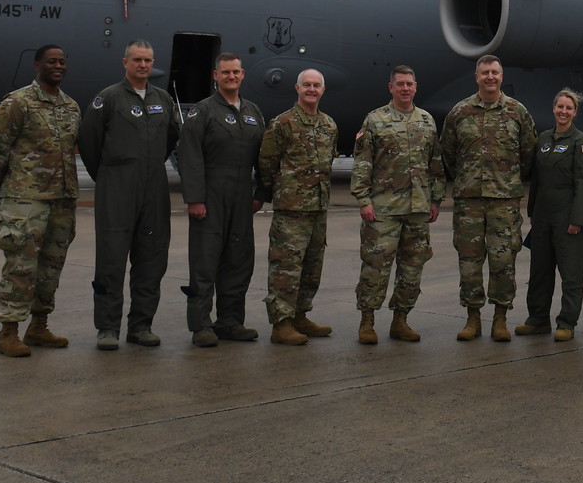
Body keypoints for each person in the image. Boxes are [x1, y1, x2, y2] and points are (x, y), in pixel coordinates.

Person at [78, 39, 181, 349]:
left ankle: (141, 326)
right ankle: (107, 328)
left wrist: (147, 167)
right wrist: (110, 175)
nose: (143, 65)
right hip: (116, 189)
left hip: (154, 189)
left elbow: (172, 136)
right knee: (111, 260)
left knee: (151, 259)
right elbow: (89, 141)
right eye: (137, 60)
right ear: (125, 63)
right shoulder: (107, 99)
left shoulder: (162, 99)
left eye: (148, 60)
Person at [0, 44, 79, 357]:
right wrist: (0, 188)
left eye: (62, 62)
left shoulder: (71, 107)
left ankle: (39, 326)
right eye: (51, 61)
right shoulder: (18, 102)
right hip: (25, 198)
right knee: (20, 266)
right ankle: (8, 332)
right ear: (37, 65)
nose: (58, 66)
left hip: (61, 200)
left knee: (51, 266)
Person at [438, 54, 536, 341]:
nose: (490, 77)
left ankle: (500, 318)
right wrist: (468, 179)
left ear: (501, 76)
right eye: (485, 73)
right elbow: (449, 152)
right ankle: (472, 318)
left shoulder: (518, 112)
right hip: (469, 201)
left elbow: (527, 153)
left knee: (503, 261)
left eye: (494, 72)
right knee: (469, 262)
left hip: (504, 202)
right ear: (477, 77)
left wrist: (506, 181)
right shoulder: (460, 112)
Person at [349, 65, 445, 344]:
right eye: (400, 84)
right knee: (375, 266)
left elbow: (435, 165)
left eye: (409, 84)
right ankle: (367, 321)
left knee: (412, 268)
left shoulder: (427, 121)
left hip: (417, 210)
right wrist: (363, 200)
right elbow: (363, 163)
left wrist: (436, 200)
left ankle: (400, 320)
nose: (405, 88)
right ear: (390, 87)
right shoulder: (376, 120)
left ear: (416, 87)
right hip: (383, 209)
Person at [177, 53, 265, 347]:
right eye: (225, 72)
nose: (231, 77)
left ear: (242, 76)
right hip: (211, 195)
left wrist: (260, 193)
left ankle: (230, 321)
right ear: (215, 76)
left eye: (235, 72)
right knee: (205, 262)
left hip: (241, 196)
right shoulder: (202, 112)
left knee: (238, 262)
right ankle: (201, 324)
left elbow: (263, 158)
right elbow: (189, 156)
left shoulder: (253, 112)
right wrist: (195, 198)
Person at [256, 68, 339, 345]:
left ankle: (301, 315)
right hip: (291, 210)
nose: (312, 89)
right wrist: (280, 193)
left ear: (323, 90)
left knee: (312, 267)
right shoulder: (282, 123)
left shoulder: (329, 125)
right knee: (285, 268)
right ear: (297, 88)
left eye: (316, 85)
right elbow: (267, 164)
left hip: (318, 208)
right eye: (307, 85)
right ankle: (281, 324)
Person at [519, 89, 583, 341]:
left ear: (575, 112)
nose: (564, 112)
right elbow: (537, 179)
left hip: (567, 217)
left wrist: (577, 219)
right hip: (542, 216)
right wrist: (532, 211)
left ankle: (567, 322)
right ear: (553, 108)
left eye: (569, 108)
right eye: (560, 107)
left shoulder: (580, 141)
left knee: (570, 274)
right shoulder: (543, 138)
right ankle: (537, 318)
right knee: (539, 272)